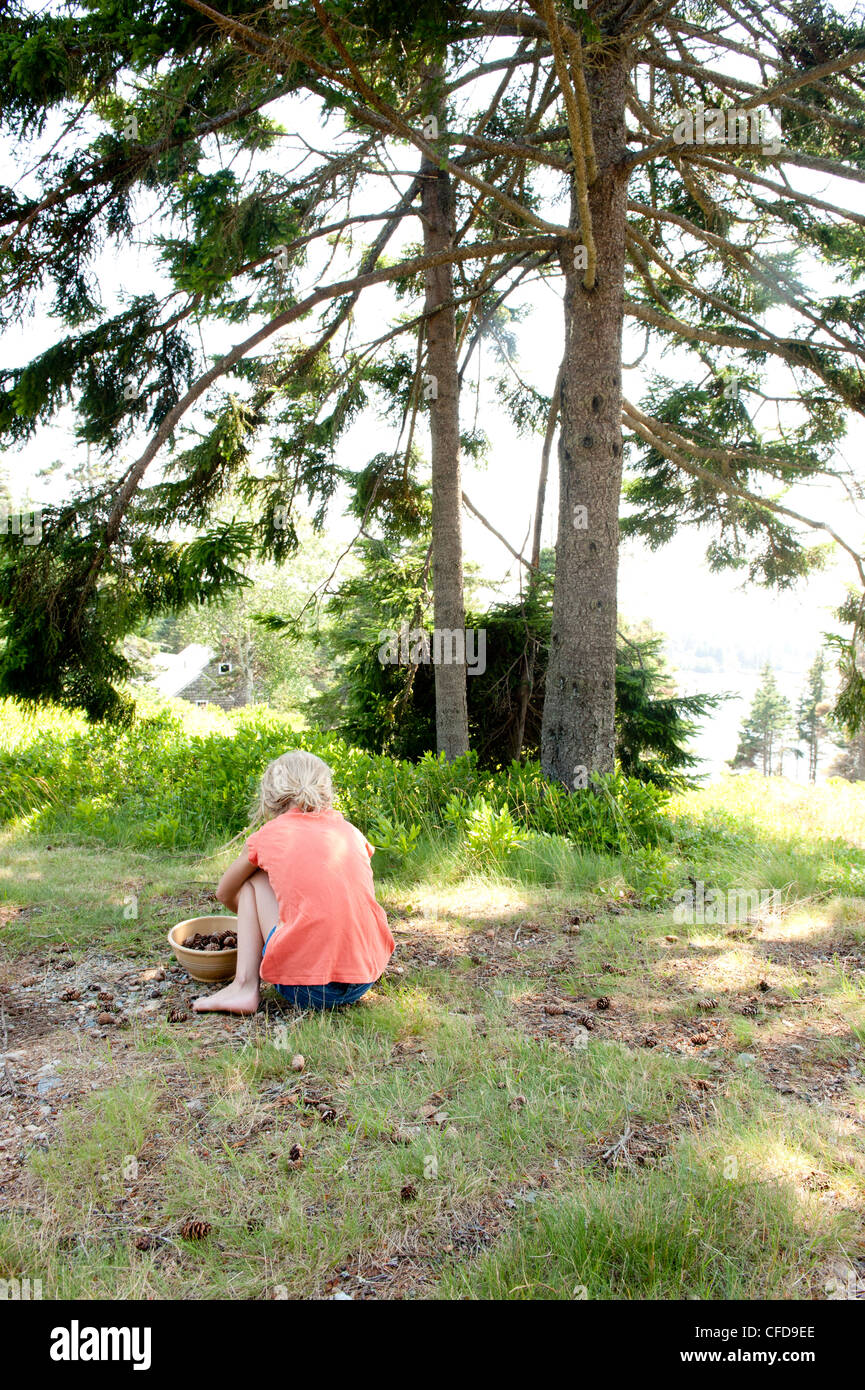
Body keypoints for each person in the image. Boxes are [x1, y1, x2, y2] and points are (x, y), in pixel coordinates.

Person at [193, 750, 393, 1014]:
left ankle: (244, 986)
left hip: (305, 988)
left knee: (252, 882)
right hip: (364, 978)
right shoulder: (352, 833)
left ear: (271, 796)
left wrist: (257, 925)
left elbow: (225, 892)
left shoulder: (267, 835)